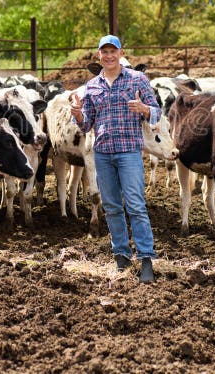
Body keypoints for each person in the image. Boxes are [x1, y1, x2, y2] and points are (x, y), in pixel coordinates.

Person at [69, 34, 161, 284]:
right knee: (111, 206)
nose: (109, 55)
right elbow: (86, 124)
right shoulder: (92, 86)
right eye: (104, 51)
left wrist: (145, 110)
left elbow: (156, 112)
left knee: (135, 205)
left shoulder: (137, 79)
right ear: (98, 55)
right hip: (103, 153)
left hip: (129, 152)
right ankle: (121, 255)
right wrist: (77, 114)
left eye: (113, 51)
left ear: (121, 53)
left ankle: (145, 259)